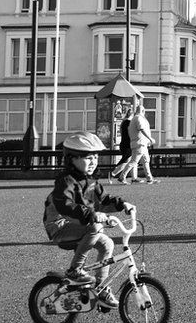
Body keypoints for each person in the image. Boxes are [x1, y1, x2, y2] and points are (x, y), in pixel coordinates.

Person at [42, 131, 135, 309]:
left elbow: (104, 200)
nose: (93, 162)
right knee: (95, 225)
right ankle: (74, 271)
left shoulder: (91, 182)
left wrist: (122, 205)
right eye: (87, 158)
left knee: (107, 244)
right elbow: (65, 205)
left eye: (95, 158)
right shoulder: (66, 181)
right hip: (59, 226)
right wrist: (91, 215)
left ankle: (99, 289)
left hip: (79, 225)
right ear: (71, 159)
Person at [116, 104, 157, 185]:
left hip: (141, 143)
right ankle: (122, 177)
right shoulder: (138, 118)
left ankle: (150, 179)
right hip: (139, 144)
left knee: (145, 161)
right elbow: (141, 129)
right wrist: (150, 138)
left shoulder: (136, 118)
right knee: (134, 162)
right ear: (143, 111)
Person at [110, 107, 135, 183]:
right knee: (125, 162)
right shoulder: (129, 122)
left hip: (124, 143)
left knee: (129, 161)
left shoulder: (123, 122)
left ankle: (131, 177)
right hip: (127, 144)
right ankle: (112, 174)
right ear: (132, 114)